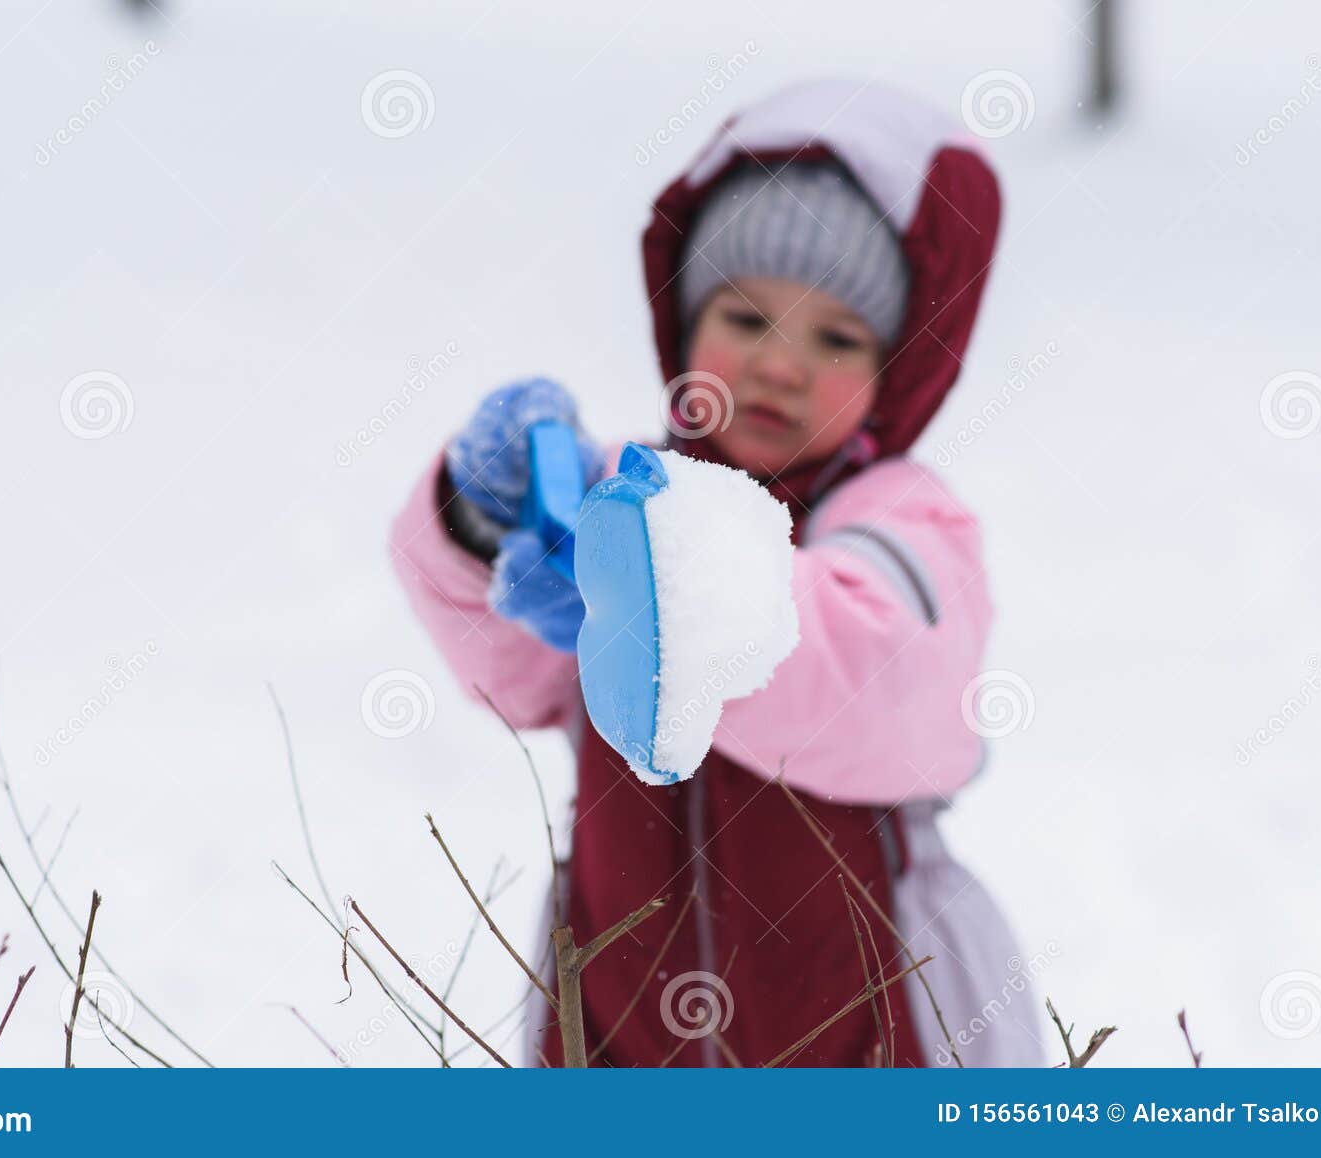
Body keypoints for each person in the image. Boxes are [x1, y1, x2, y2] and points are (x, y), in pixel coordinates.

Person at [388, 78, 1042, 1067]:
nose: (781, 366)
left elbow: (870, 682)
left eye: (834, 338)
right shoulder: (621, 508)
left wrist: (659, 591)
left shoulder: (899, 522)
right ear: (684, 325)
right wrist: (484, 518)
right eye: (746, 319)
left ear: (892, 371)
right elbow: (510, 674)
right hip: (616, 1030)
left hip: (869, 1041)